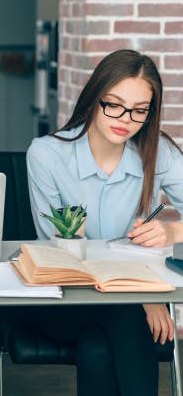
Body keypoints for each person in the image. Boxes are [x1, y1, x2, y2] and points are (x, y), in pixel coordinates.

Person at [23, 49, 183, 396]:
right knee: (124, 316)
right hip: (61, 298)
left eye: (140, 110)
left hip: (119, 307)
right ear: (94, 97)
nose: (125, 118)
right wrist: (144, 298)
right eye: (114, 104)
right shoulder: (46, 154)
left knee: (97, 345)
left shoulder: (159, 152)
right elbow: (58, 252)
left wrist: (172, 230)